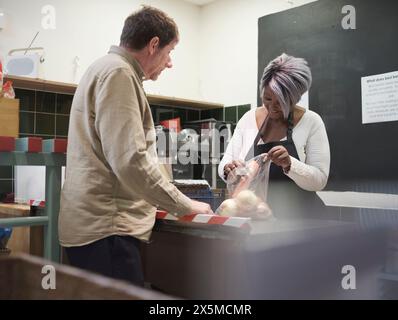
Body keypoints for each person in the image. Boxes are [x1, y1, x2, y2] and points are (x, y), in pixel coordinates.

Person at [59, 6, 213, 286]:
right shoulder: (119, 74)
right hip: (107, 231)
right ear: (154, 44)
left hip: (95, 230)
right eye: (170, 51)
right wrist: (184, 204)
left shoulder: (102, 68)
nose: (169, 63)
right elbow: (130, 160)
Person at [218, 53, 330, 219]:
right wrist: (229, 169)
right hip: (258, 217)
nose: (272, 107)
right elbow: (224, 164)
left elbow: (319, 180)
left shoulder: (311, 122)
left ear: (295, 98)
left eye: (281, 102)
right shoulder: (248, 119)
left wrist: (290, 164)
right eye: (267, 99)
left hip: (302, 220)